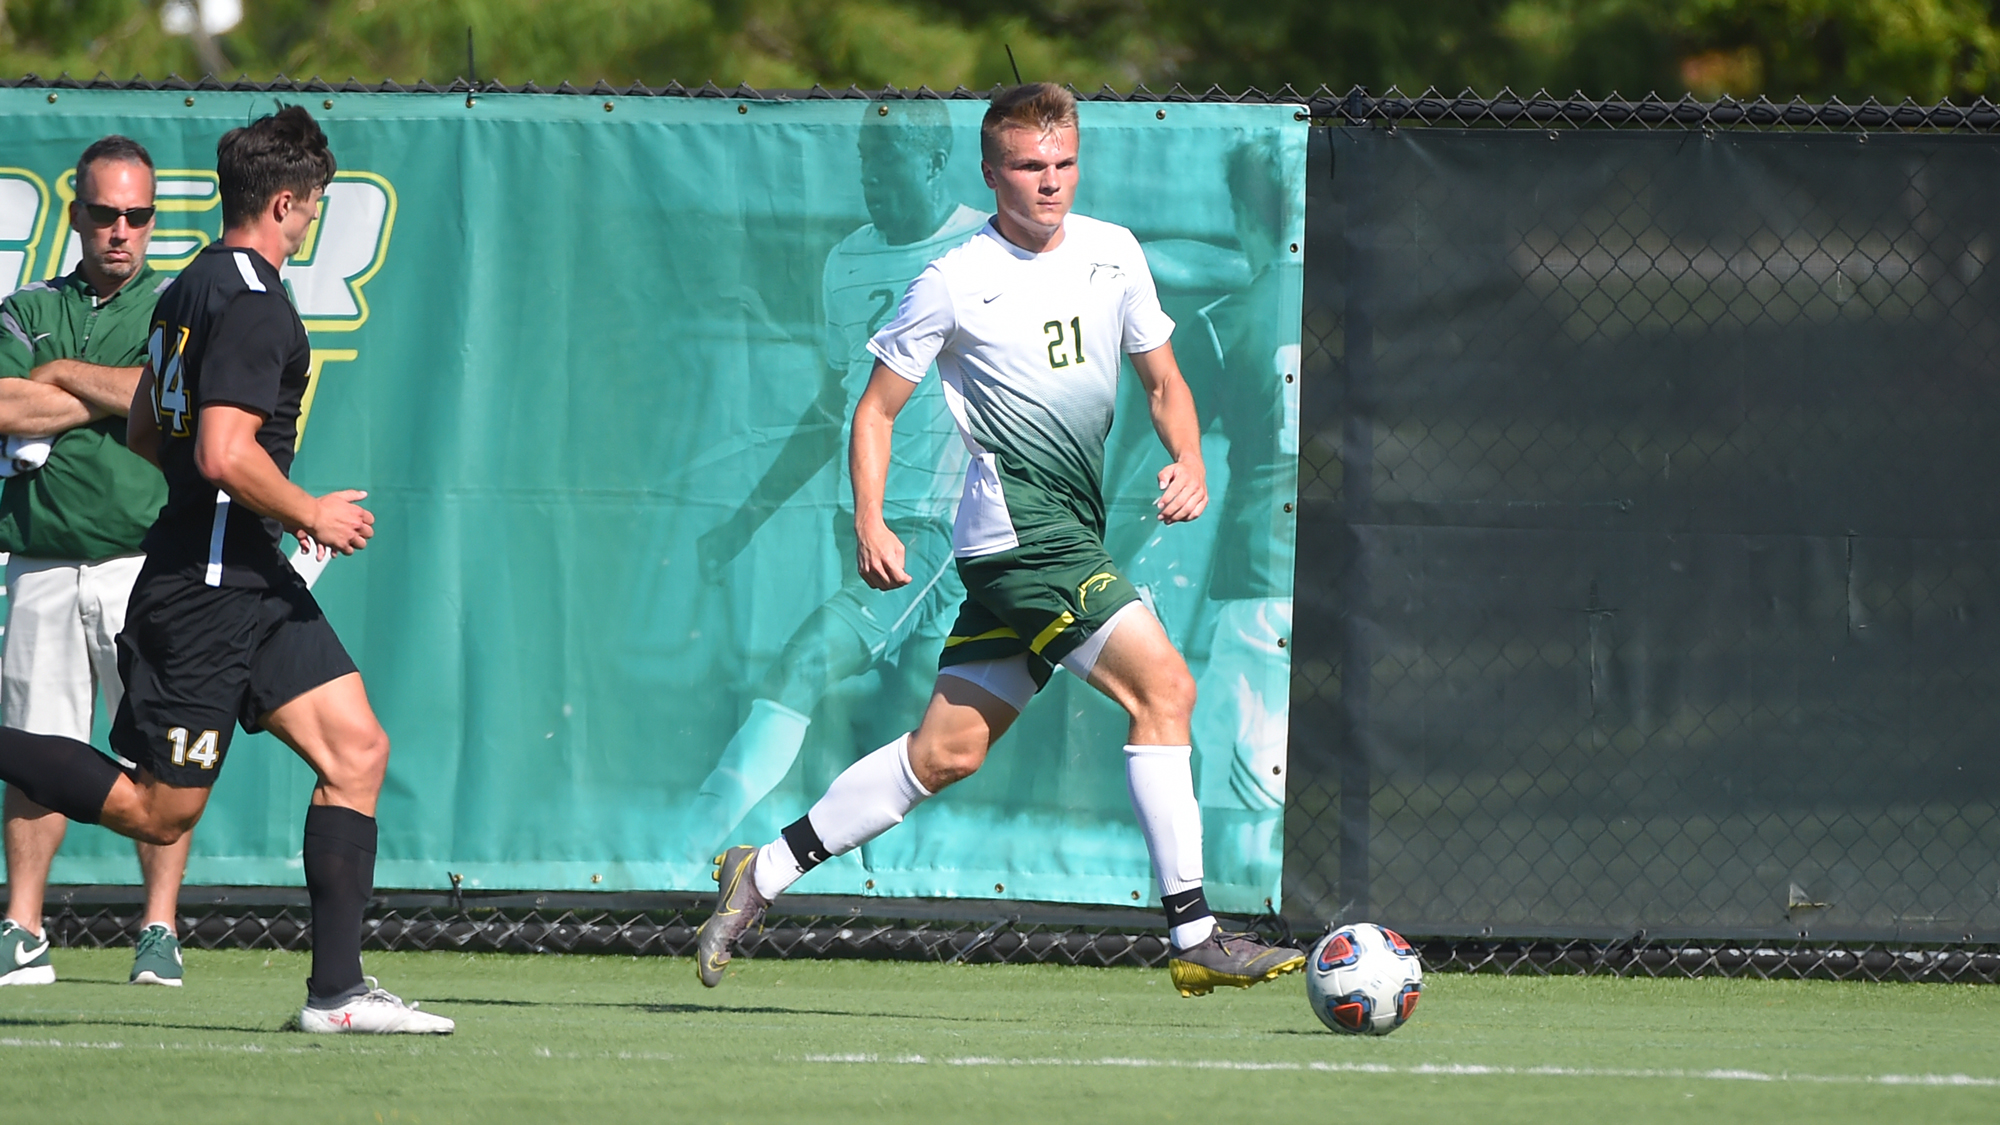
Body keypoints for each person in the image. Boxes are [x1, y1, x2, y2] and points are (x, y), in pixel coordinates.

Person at [695, 84, 1306, 997]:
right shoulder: (951, 278)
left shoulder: (1114, 253)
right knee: (1166, 687)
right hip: (1021, 540)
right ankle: (1194, 929)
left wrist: (1188, 455)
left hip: (1062, 531)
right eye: (1028, 167)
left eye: (1062, 164)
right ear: (990, 174)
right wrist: (868, 519)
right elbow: (873, 412)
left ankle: (765, 870)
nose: (1048, 182)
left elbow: (1165, 378)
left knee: (944, 753)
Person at [0, 106, 451, 1034]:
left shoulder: (188, 288)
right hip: (205, 594)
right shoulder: (250, 299)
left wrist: (257, 523)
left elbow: (142, 430)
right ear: (286, 202)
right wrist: (309, 510)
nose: (316, 217)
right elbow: (216, 451)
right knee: (158, 812)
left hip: (244, 575)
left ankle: (336, 995)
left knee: (358, 750)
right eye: (314, 203)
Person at [686, 99, 985, 860]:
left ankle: (679, 850)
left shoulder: (985, 249)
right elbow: (835, 409)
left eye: (885, 167)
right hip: (868, 524)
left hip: (938, 530)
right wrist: (743, 522)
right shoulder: (846, 262)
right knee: (906, 727)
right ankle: (853, 878)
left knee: (808, 662)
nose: (871, 184)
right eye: (863, 167)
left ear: (933, 163)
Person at [0, 136, 185, 988]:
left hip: (144, 565)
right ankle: (24, 927)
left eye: (137, 215)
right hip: (39, 557)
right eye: (105, 213)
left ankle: (158, 929)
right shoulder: (27, 302)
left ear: (152, 219)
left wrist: (64, 376)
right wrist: (111, 392)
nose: (121, 230)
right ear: (76, 215)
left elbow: (167, 396)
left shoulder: (179, 302)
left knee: (161, 753)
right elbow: (4, 404)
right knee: (39, 751)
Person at [1183, 137, 1305, 884]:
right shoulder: (1354, 304)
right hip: (1348, 575)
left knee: (1239, 823)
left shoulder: (1229, 321)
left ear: (1240, 212)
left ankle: (1241, 938)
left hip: (1261, 575)